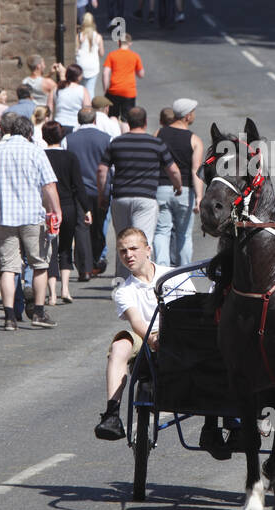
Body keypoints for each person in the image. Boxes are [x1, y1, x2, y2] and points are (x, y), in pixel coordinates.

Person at [94, 226, 195, 440]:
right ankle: (112, 414)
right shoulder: (124, 290)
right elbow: (137, 321)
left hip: (180, 332)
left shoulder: (175, 276)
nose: (128, 255)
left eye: (133, 248)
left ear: (148, 249)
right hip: (148, 335)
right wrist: (152, 339)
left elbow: (192, 312)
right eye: (122, 251)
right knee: (119, 345)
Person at [0, 111, 62, 331]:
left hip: (4, 217)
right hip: (32, 216)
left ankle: (8, 319)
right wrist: (57, 211)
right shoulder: (36, 151)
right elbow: (49, 185)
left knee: (8, 267)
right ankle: (39, 313)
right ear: (30, 133)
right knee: (39, 264)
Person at [97, 107, 182, 277]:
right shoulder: (155, 143)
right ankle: (143, 281)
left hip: (120, 197)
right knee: (142, 242)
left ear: (128, 122)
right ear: (145, 122)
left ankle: (122, 282)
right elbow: (173, 170)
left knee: (123, 242)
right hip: (145, 198)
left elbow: (101, 171)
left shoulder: (116, 143)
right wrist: (178, 186)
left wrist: (102, 196)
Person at [42, 122, 91, 305]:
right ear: (61, 136)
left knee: (49, 250)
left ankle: (52, 294)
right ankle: (65, 290)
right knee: (65, 248)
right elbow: (79, 185)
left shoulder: (41, 155)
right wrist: (86, 209)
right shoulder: (70, 157)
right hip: (68, 206)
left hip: (47, 208)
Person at [154, 98, 204, 268]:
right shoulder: (194, 140)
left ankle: (162, 271)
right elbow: (195, 170)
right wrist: (199, 197)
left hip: (160, 188)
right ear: (187, 116)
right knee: (184, 235)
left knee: (162, 231)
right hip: (185, 191)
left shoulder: (159, 134)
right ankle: (184, 273)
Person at [64, 108, 111, 278]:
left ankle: (85, 266)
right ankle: (96, 260)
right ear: (95, 120)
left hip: (77, 190)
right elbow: (110, 167)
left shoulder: (68, 140)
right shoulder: (106, 138)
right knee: (99, 226)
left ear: (78, 120)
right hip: (101, 189)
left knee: (81, 228)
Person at [102, 29, 144, 125]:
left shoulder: (112, 55)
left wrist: (106, 90)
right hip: (129, 91)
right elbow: (141, 74)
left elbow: (105, 73)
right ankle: (125, 137)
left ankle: (114, 136)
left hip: (114, 90)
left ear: (118, 42)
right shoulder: (135, 56)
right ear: (130, 43)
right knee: (126, 119)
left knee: (113, 117)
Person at [52, 63, 91, 129]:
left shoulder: (56, 88)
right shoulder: (82, 90)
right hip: (75, 126)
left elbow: (49, 109)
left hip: (58, 125)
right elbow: (88, 111)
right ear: (78, 77)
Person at [75, 13, 104, 94]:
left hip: (81, 65)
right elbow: (101, 53)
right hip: (93, 66)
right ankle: (89, 105)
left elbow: (76, 51)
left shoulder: (80, 36)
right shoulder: (98, 36)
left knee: (81, 89)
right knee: (90, 90)